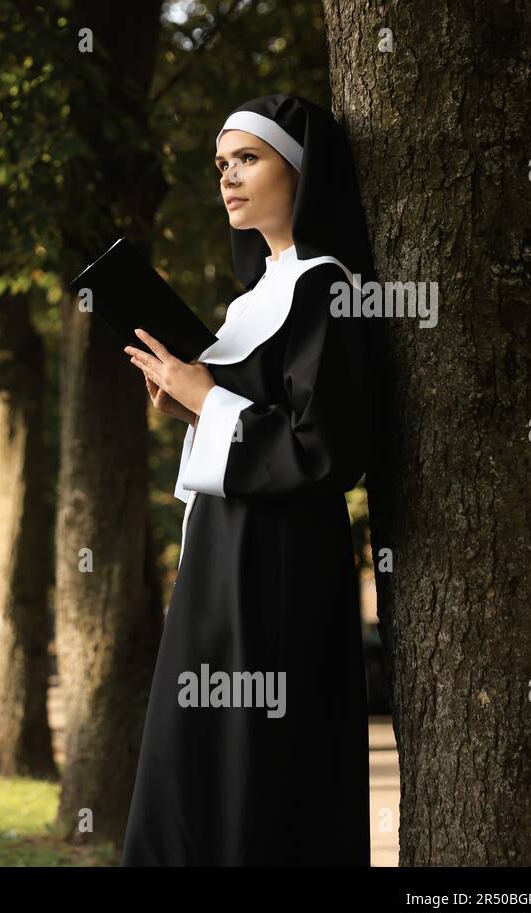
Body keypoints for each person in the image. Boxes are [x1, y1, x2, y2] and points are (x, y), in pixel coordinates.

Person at [120, 93, 376, 866]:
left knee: (256, 767)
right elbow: (246, 421)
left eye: (248, 160)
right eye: (222, 165)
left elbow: (326, 447)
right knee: (191, 751)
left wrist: (208, 400)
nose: (229, 178)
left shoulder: (329, 286)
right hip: (221, 555)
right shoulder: (249, 302)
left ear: (299, 170)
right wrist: (191, 409)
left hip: (279, 565)